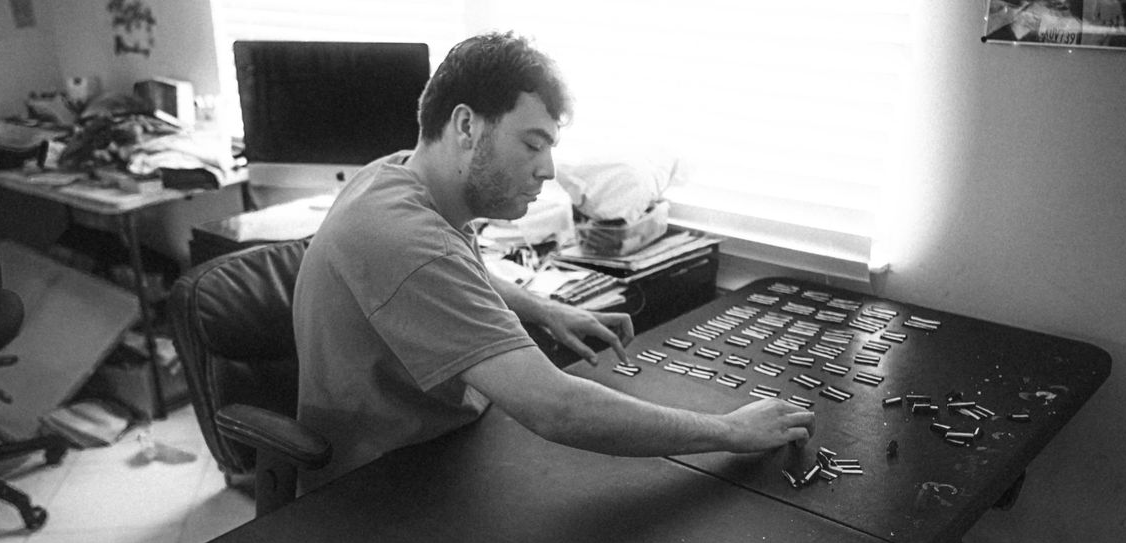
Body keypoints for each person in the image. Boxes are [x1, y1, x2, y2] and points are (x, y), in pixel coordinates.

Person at [292, 31, 814, 490]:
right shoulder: (405, 239)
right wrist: (732, 430)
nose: (548, 170)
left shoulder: (396, 176)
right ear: (467, 126)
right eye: (532, 144)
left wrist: (546, 310)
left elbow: (458, 268)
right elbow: (555, 408)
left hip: (439, 448)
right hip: (383, 493)